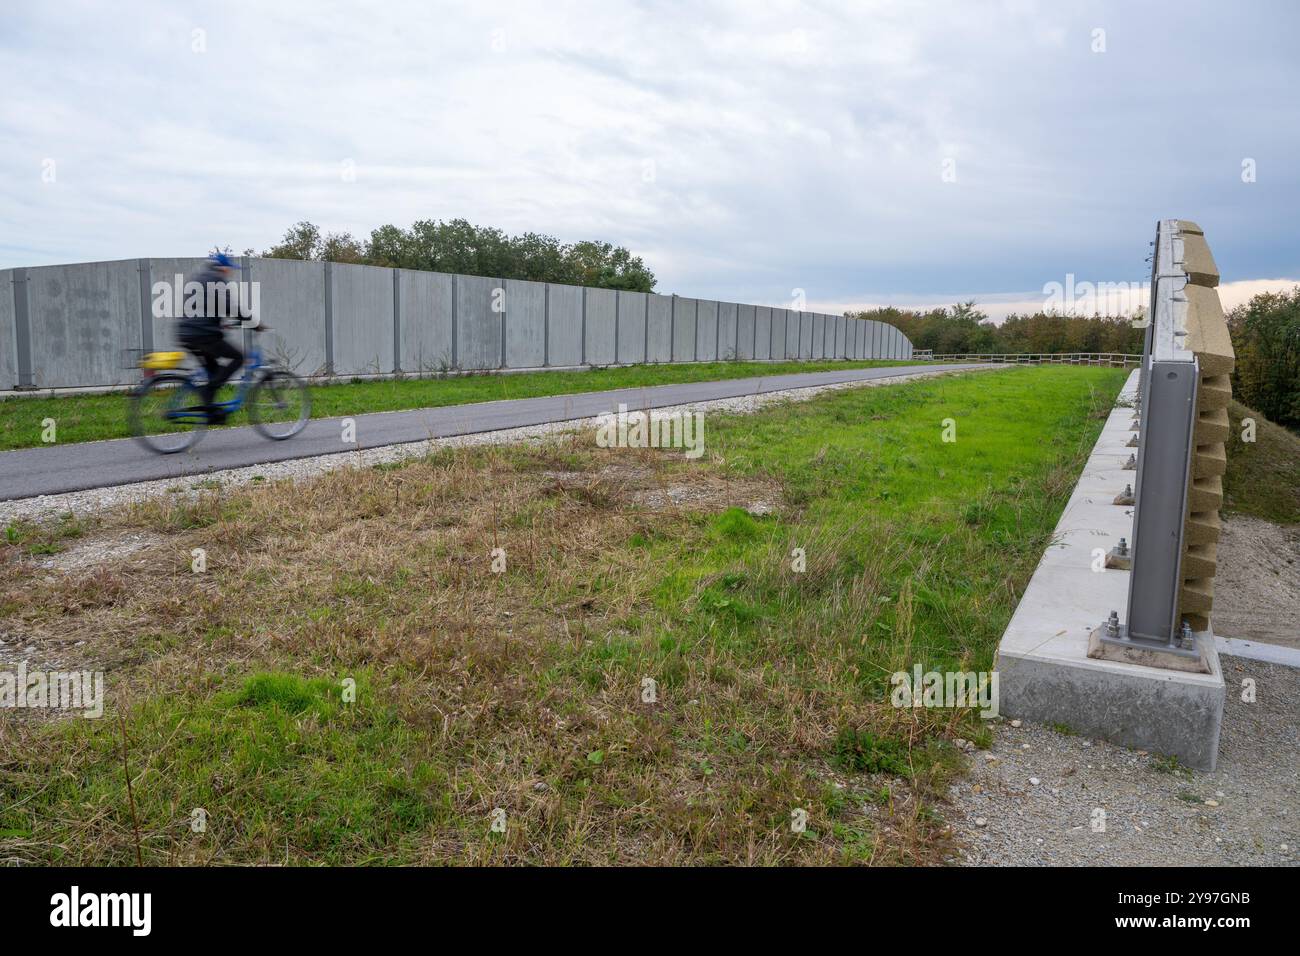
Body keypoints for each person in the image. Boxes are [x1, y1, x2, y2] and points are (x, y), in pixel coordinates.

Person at [177, 252, 248, 424]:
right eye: (229, 268)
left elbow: (204, 306)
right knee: (239, 357)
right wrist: (250, 320)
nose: (230, 272)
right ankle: (207, 394)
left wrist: (219, 323)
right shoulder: (217, 279)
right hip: (203, 334)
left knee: (215, 372)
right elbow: (229, 305)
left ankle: (212, 411)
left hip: (187, 333)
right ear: (222, 267)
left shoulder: (198, 277)